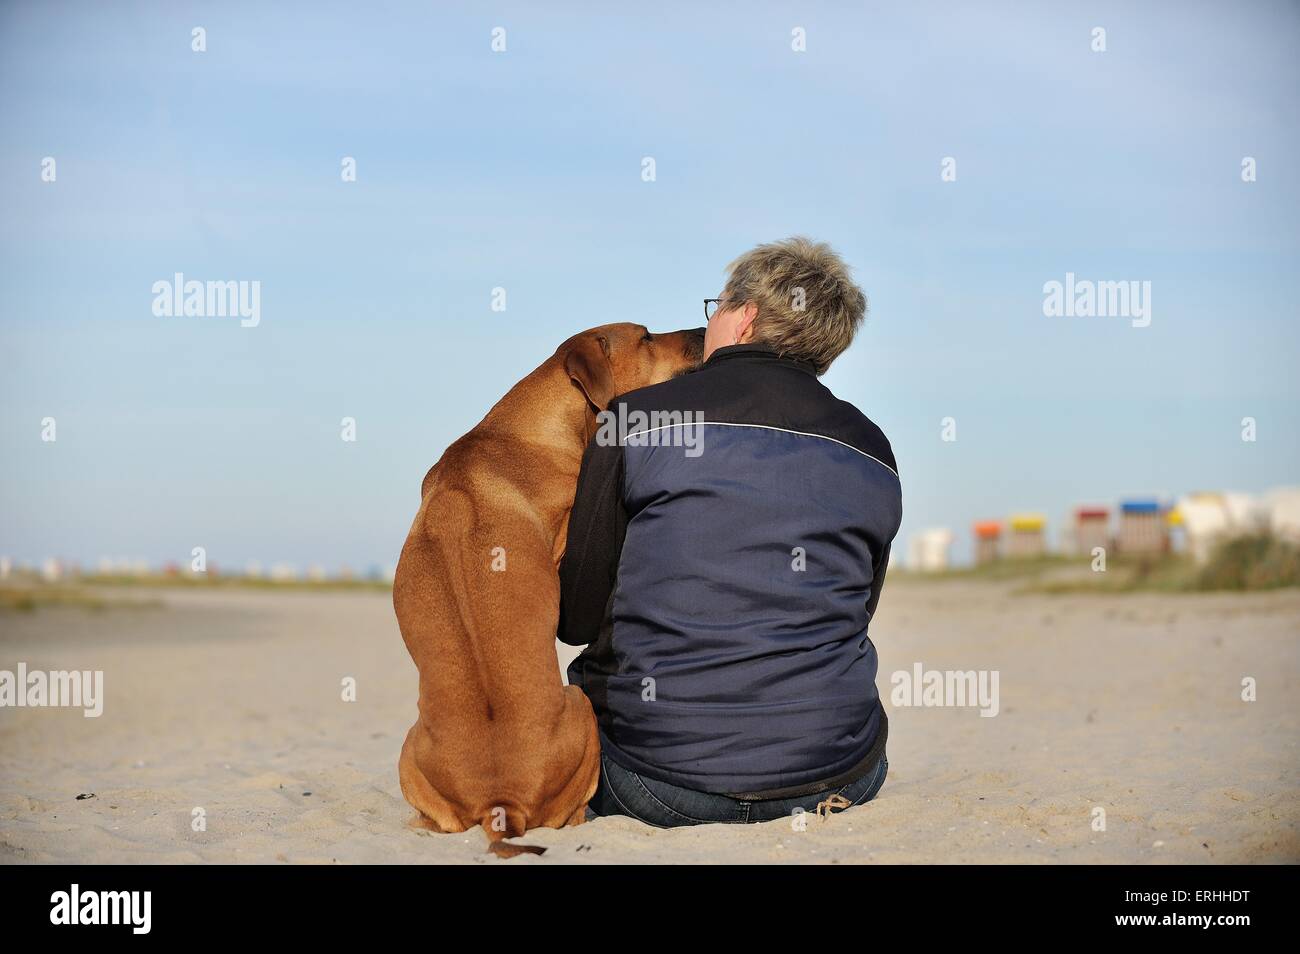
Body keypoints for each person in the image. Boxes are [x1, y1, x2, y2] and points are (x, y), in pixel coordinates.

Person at [558, 237, 901, 826]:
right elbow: (855, 610)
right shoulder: (871, 448)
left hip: (656, 781)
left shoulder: (635, 420)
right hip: (839, 774)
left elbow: (577, 618)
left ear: (741, 317)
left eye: (715, 307)